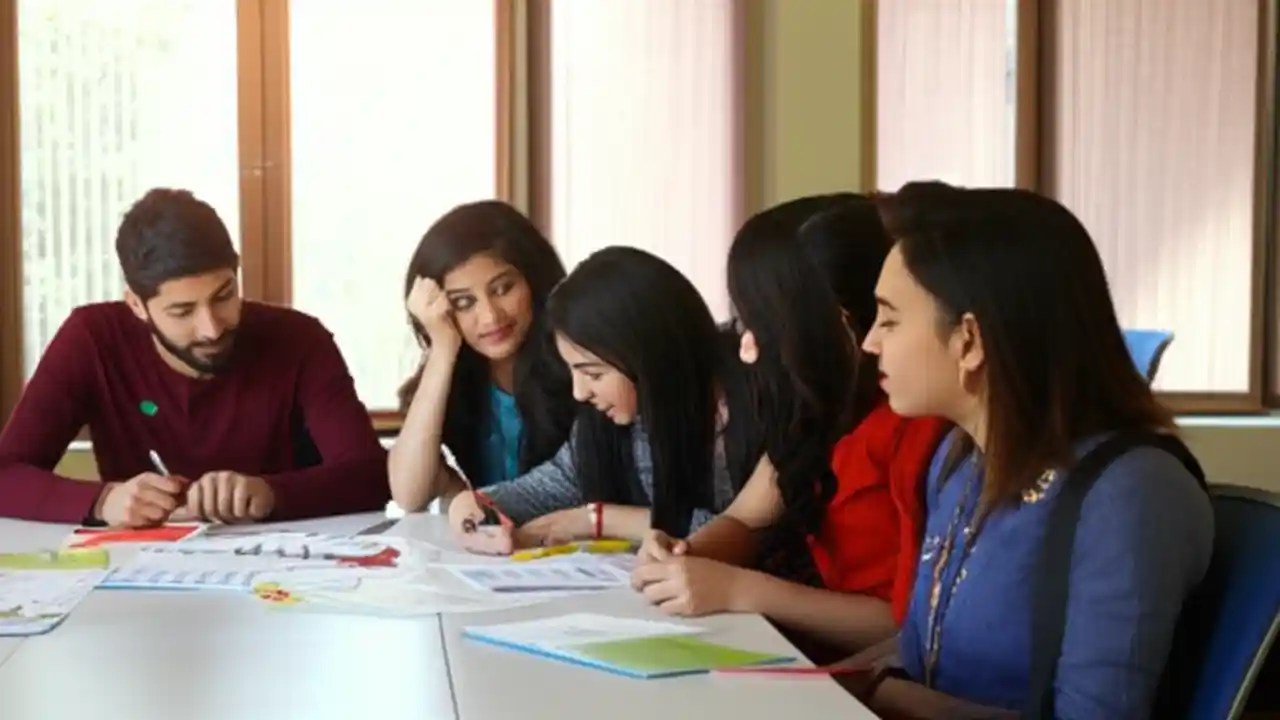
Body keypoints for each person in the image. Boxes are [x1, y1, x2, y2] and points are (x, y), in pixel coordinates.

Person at [845, 182, 1211, 718]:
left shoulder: (1130, 492)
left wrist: (875, 693)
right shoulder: (958, 462)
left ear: (969, 341)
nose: (870, 342)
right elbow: (922, 657)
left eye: (890, 319)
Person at [630, 196, 946, 657]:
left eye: (759, 324)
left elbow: (903, 627)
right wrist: (684, 555)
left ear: (831, 324)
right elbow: (745, 518)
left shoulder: (911, 425)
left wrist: (739, 590)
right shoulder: (818, 411)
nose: (746, 349)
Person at [0, 188, 389, 526]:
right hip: (140, 577)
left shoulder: (300, 339)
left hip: (282, 578)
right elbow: (6, 475)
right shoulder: (92, 338)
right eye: (183, 311)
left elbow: (370, 476)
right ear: (136, 304)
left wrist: (271, 493)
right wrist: (104, 500)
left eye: (224, 296)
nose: (212, 328)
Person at [446, 246, 738, 554]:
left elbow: (744, 534)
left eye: (594, 374)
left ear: (651, 357)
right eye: (572, 370)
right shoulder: (611, 424)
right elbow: (536, 491)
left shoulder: (743, 413)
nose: (579, 393)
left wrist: (599, 520)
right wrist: (469, 508)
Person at [387, 201, 573, 511]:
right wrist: (443, 348)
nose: (490, 317)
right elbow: (408, 494)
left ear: (533, 281)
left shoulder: (582, 370)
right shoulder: (455, 380)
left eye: (503, 289)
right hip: (491, 551)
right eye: (463, 303)